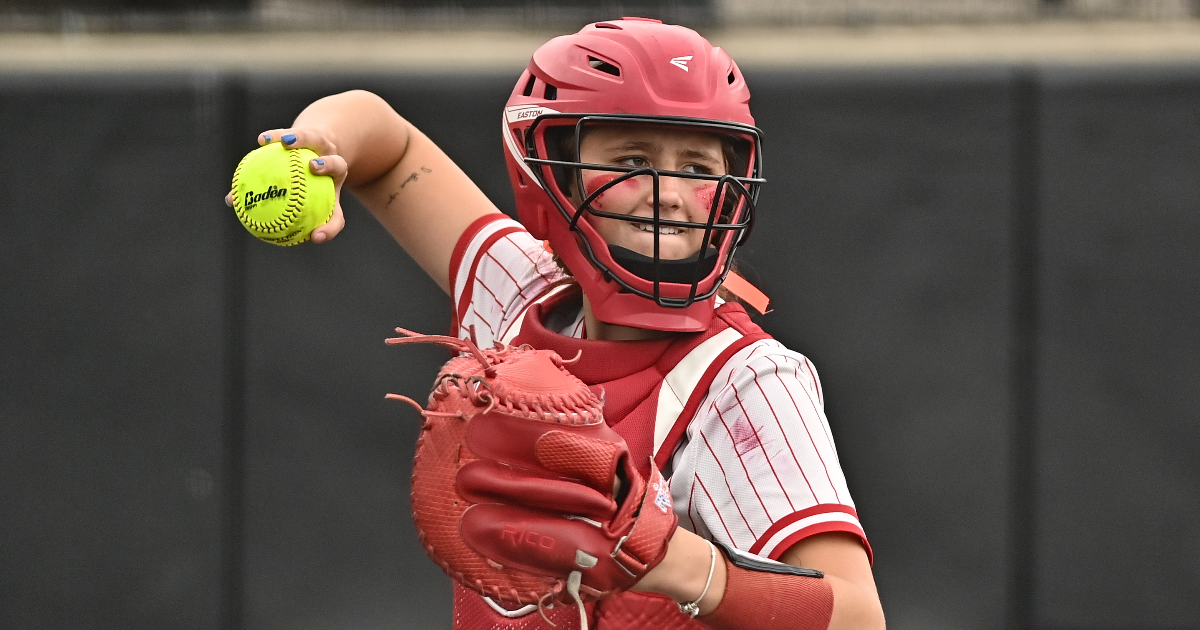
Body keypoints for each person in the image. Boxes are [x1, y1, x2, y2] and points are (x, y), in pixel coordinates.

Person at [231, 17, 885, 630]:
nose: (670, 193)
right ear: (549, 180)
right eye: (631, 162)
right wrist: (321, 143)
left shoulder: (745, 378)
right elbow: (390, 145)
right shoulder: (524, 294)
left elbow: (859, 617)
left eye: (698, 167)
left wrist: (679, 565)